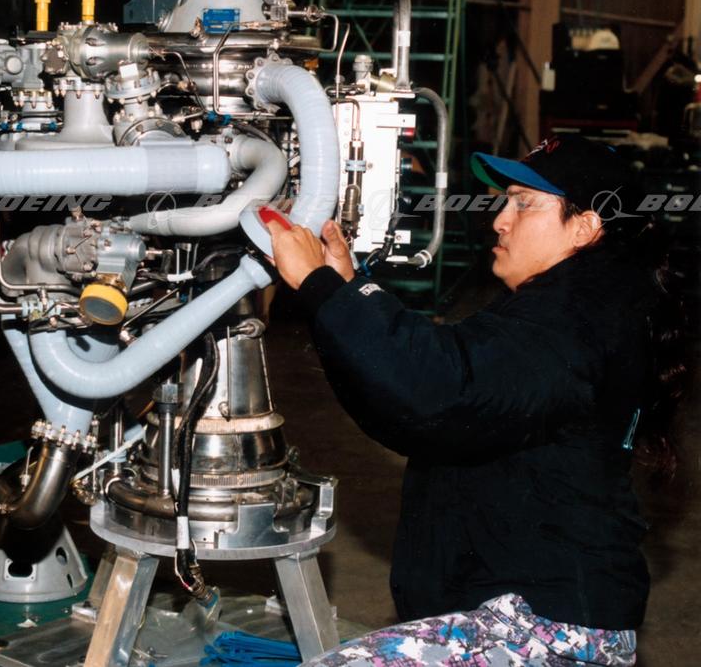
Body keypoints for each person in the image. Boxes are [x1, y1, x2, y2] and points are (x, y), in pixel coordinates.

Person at [266, 134, 684, 666]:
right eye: (504, 201)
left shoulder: (572, 319)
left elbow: (439, 391)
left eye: (525, 204)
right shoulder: (580, 304)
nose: (500, 221)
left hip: (546, 630)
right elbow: (420, 404)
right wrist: (347, 291)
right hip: (520, 611)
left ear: (585, 226)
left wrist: (321, 286)